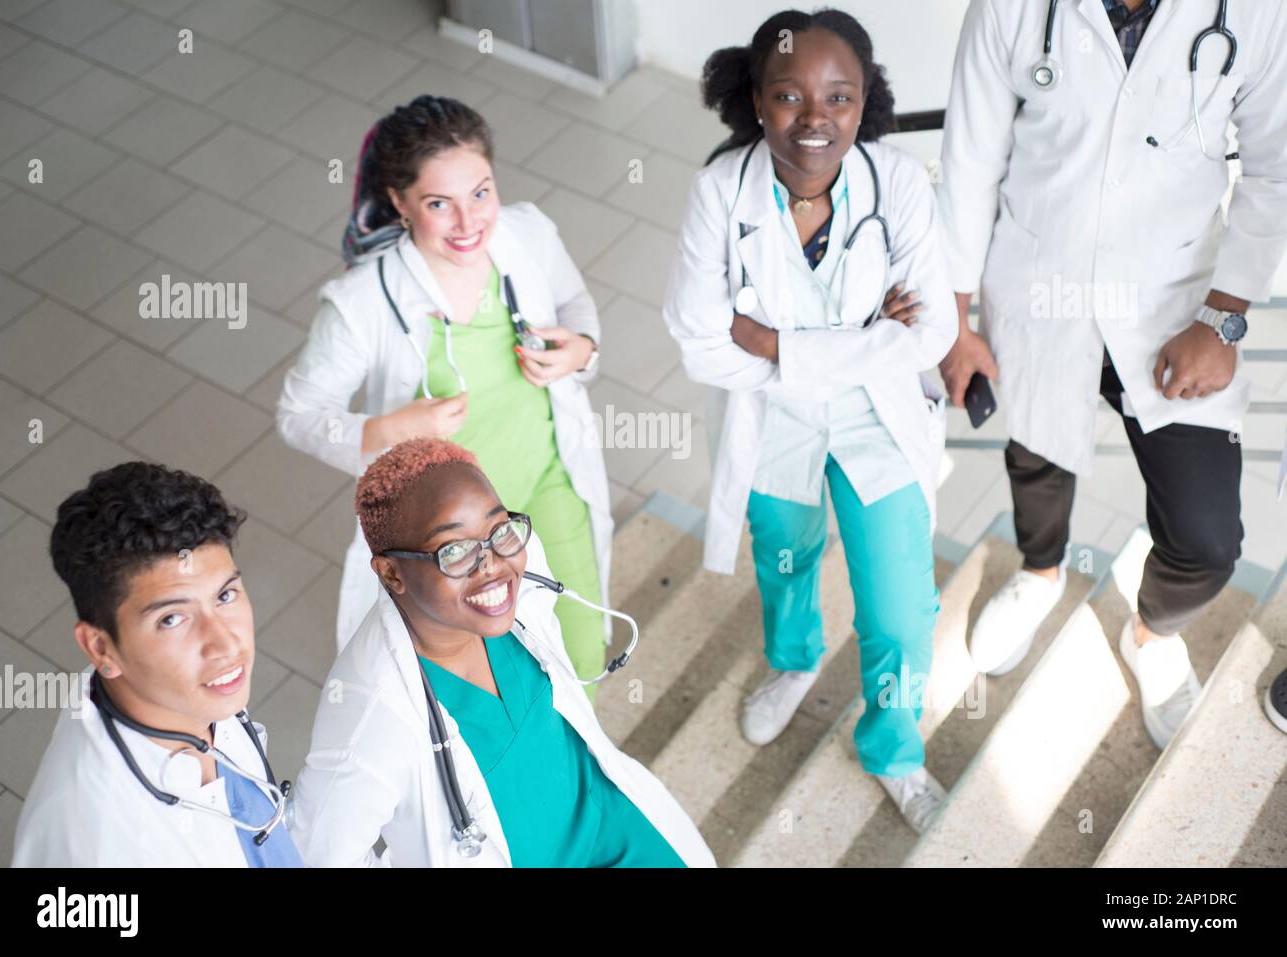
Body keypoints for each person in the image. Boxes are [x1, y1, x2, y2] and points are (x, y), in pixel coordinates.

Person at [937, 0, 1287, 748]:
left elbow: (1275, 170)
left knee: (1207, 536)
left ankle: (1153, 633)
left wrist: (1223, 316)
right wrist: (957, 319)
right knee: (1036, 453)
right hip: (1040, 282)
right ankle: (1039, 573)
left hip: (1175, 308)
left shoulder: (1255, 12)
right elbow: (970, 156)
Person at [662, 9, 957, 833]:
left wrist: (774, 342)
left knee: (900, 609)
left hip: (877, 422)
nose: (815, 118)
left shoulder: (895, 183)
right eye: (789, 95)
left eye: (840, 96)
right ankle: (793, 664)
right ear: (757, 100)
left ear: (867, 103)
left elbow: (931, 331)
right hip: (773, 423)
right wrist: (866, 340)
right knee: (786, 562)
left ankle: (894, 748)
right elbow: (696, 342)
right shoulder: (721, 193)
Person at [277, 95, 612, 698]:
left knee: (580, 648)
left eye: (481, 192)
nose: (469, 223)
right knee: (479, 677)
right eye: (439, 203)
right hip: (443, 532)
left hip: (546, 482)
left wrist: (582, 349)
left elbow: (575, 306)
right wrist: (390, 429)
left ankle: (579, 760)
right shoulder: (361, 303)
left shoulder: (528, 234)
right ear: (400, 203)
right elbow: (299, 416)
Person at [287, 437, 715, 867]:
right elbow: (311, 856)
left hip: (614, 828)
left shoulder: (512, 577)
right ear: (391, 572)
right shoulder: (369, 715)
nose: (491, 565)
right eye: (454, 551)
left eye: (498, 530)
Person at [13, 463, 300, 867]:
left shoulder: (185, 693)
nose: (225, 644)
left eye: (225, 595)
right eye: (172, 619)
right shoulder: (95, 845)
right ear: (100, 648)